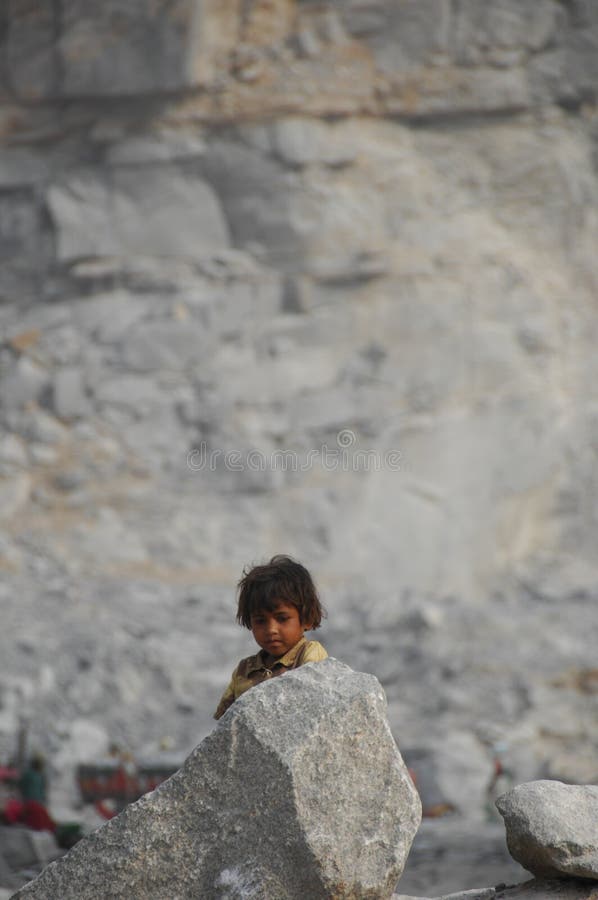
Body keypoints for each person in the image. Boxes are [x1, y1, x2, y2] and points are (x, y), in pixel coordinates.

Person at [214, 555, 328, 719]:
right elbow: (224, 721)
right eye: (260, 621)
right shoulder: (244, 670)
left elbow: (312, 705)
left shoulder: (309, 654)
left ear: (306, 619)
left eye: (282, 618)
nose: (271, 629)